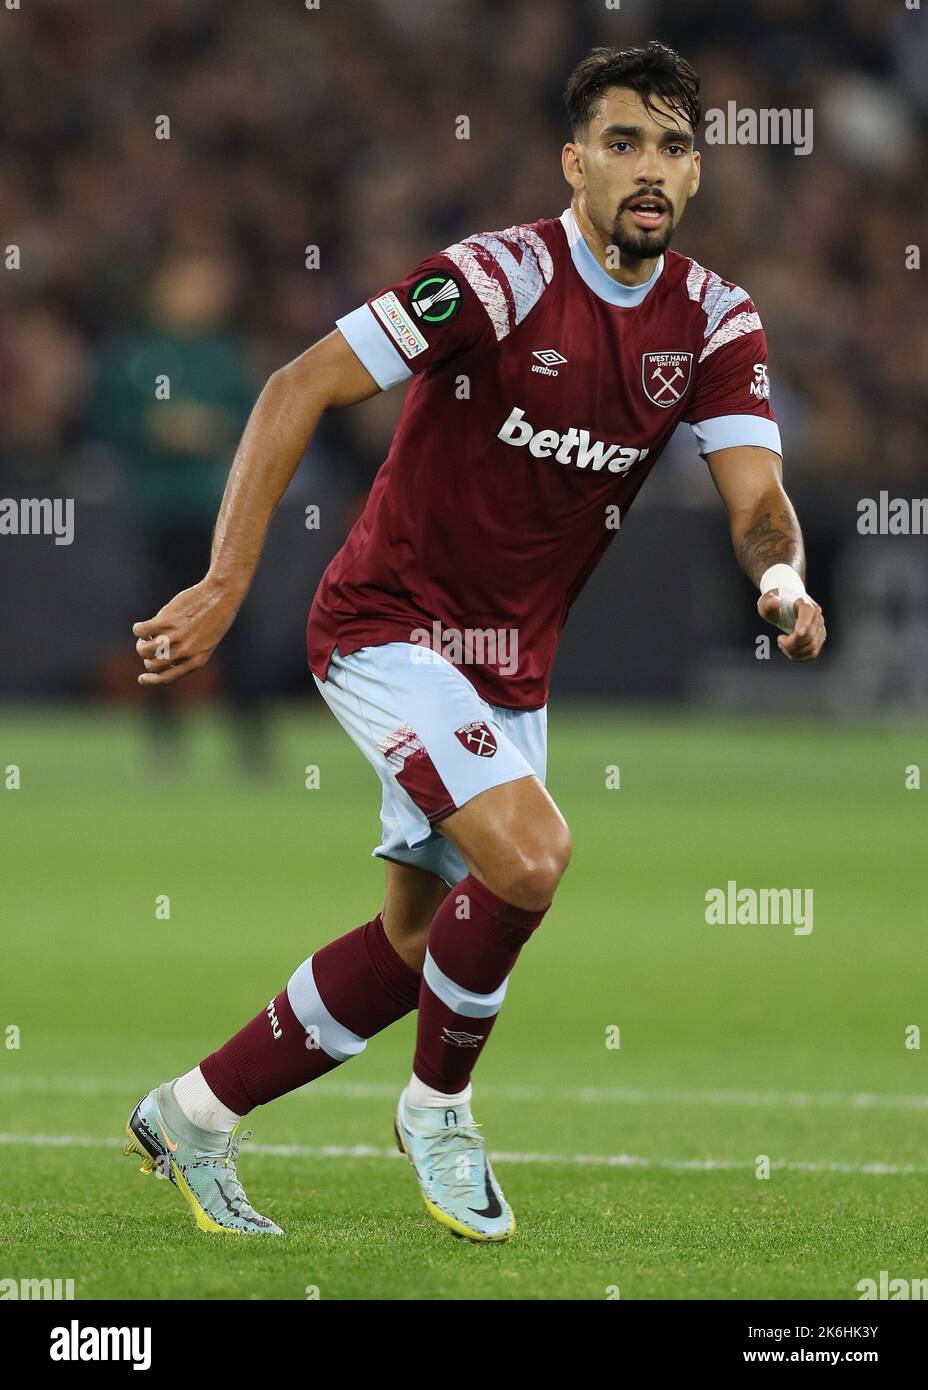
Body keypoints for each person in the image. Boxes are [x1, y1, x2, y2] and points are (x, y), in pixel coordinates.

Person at [123, 41, 826, 1242]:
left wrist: (784, 580)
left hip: (511, 666)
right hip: (386, 627)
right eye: (621, 143)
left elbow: (757, 503)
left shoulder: (715, 319)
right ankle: (438, 1110)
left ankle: (191, 1114)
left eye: (670, 147)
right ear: (573, 162)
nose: (647, 168)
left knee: (413, 949)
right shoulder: (495, 278)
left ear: (697, 175)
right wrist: (226, 578)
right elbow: (297, 384)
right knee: (533, 858)